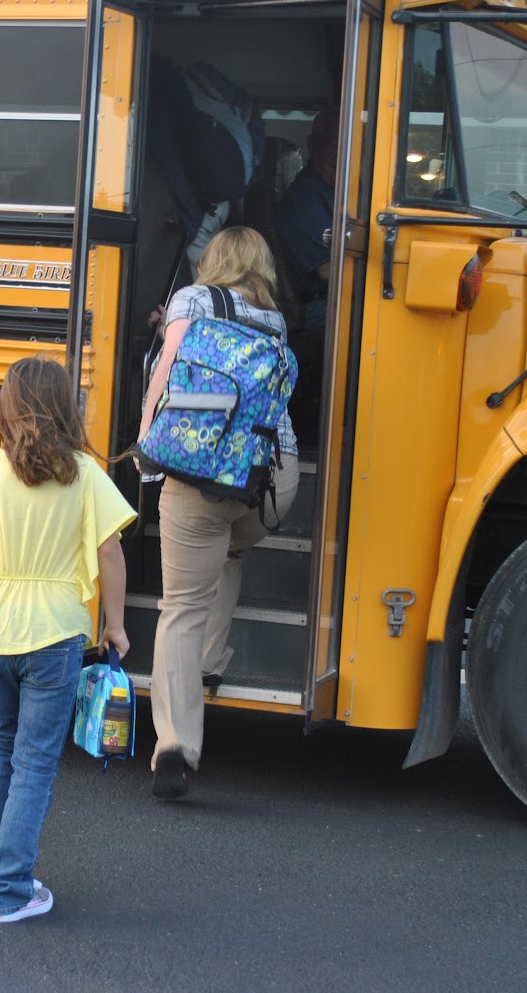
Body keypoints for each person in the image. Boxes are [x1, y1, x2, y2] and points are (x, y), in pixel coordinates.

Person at [0, 355, 135, 923]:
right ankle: (10, 888)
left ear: (8, 409)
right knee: (35, 762)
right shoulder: (84, 474)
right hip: (54, 633)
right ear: (66, 408)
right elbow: (110, 552)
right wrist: (114, 625)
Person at [135, 226, 300, 801]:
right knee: (229, 548)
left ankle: (175, 748)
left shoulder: (192, 299)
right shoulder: (274, 321)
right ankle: (210, 662)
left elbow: (167, 370)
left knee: (181, 606)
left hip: (199, 469)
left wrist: (147, 448)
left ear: (211, 260)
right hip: (271, 476)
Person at [274, 105, 341, 333]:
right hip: (318, 306)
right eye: (333, 146)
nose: (342, 155)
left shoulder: (336, 191)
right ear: (313, 146)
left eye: (349, 146)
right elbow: (328, 271)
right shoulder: (305, 198)